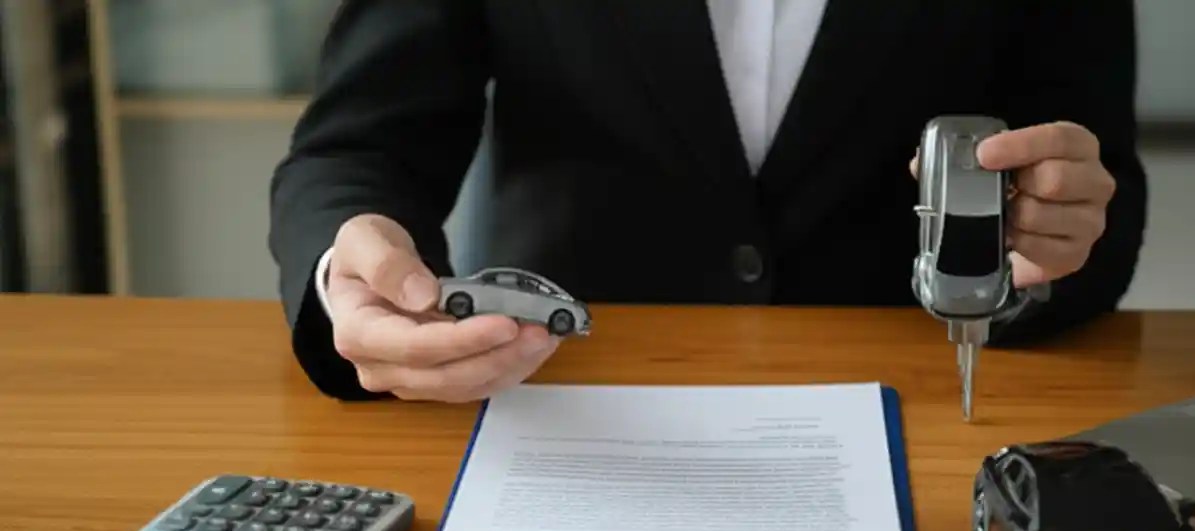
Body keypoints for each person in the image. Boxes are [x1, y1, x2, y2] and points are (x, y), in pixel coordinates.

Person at [269, 0, 1146, 402]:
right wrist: (346, 269)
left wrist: (1050, 247)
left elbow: (1097, 179)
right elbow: (357, 147)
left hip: (921, 419)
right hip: (553, 391)